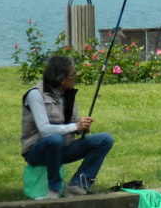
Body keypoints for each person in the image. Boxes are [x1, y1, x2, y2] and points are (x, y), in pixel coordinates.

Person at [21, 55, 114, 198]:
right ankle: (54, 189)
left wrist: (81, 125)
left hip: (62, 148)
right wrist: (75, 127)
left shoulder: (67, 94)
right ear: (61, 79)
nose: (76, 77)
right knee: (54, 139)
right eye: (73, 74)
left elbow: (72, 122)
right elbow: (44, 130)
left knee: (104, 140)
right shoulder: (35, 95)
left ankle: (78, 186)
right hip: (37, 150)